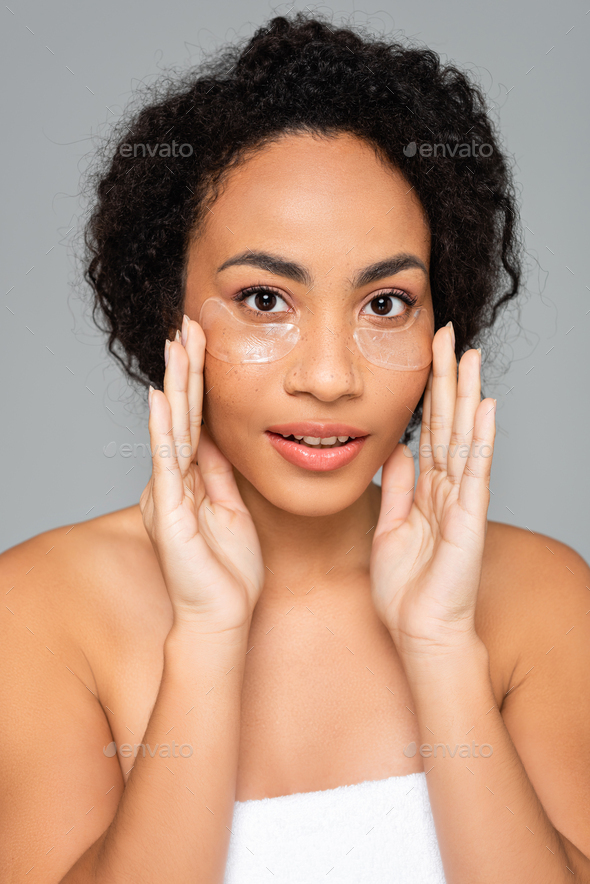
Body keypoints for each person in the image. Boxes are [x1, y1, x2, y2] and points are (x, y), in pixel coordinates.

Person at [1, 12, 589, 884]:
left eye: (385, 303)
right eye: (265, 299)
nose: (327, 377)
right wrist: (205, 637)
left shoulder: (543, 596)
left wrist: (440, 646)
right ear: (170, 310)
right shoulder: (39, 610)